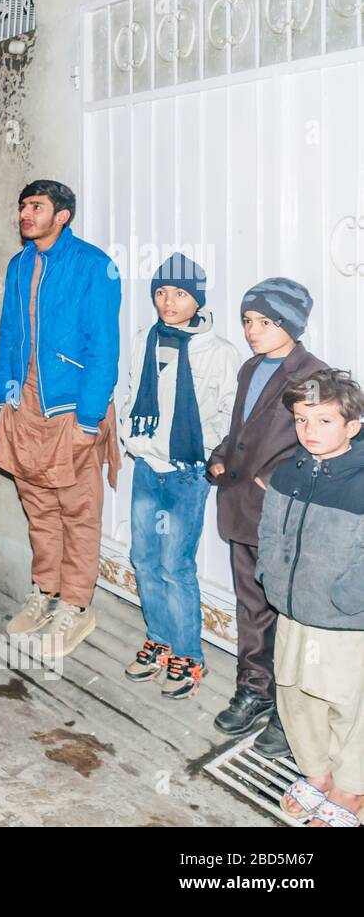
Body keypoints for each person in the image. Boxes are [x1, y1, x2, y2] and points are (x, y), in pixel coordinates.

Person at [0, 179, 121, 657]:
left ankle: (77, 607)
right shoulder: (19, 264)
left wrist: (90, 419)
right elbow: (8, 331)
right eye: (23, 205)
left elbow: (104, 348)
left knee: (78, 512)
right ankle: (45, 593)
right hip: (26, 407)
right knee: (39, 508)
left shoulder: (93, 266)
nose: (26, 213)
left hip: (70, 408)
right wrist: (5, 387)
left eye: (37, 206)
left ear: (61, 215)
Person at [208, 277, 325, 756]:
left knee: (290, 614)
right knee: (251, 608)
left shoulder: (314, 375)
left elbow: (321, 445)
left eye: (265, 322)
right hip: (241, 511)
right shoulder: (250, 368)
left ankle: (287, 713)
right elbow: (240, 429)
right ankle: (254, 691)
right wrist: (218, 455)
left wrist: (271, 477)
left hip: (281, 516)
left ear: (291, 324)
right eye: (247, 322)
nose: (252, 331)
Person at [119, 254, 240, 699]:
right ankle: (159, 640)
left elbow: (231, 414)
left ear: (198, 299)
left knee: (176, 565)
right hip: (147, 467)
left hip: (187, 474)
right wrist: (133, 441)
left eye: (180, 293)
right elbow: (132, 391)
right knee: (144, 559)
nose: (168, 301)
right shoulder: (143, 339)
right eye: (161, 292)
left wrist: (207, 455)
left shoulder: (219, 351)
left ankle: (189, 653)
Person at [256, 369, 364, 827]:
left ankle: (351, 788)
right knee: (296, 694)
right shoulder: (287, 472)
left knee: (347, 703)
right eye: (302, 420)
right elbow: (267, 533)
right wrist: (270, 574)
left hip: (343, 618)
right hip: (293, 609)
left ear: (352, 427)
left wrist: (348, 597)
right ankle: (317, 773)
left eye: (323, 421)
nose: (310, 432)